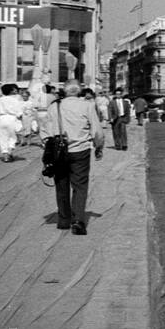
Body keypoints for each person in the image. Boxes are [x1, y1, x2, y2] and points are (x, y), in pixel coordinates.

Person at [40, 81, 104, 235]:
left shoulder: (54, 106)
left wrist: (49, 147)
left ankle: (63, 220)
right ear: (79, 91)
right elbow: (97, 130)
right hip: (80, 149)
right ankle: (78, 220)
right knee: (80, 185)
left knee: (61, 184)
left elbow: (44, 130)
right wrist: (98, 147)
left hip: (58, 151)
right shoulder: (86, 105)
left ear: (64, 91)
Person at [0, 83, 27, 162]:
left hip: (1, 119)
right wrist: (22, 122)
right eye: (14, 89)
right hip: (12, 119)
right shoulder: (16, 99)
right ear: (11, 91)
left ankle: (5, 155)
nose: (16, 90)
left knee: (2, 137)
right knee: (12, 137)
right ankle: (10, 152)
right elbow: (19, 113)